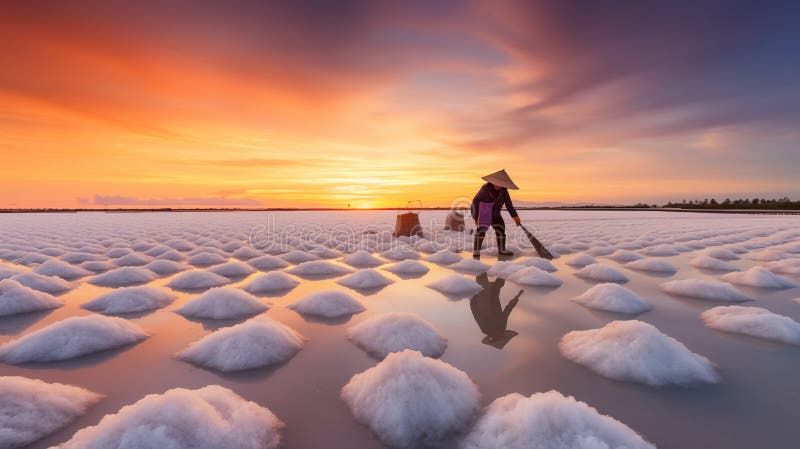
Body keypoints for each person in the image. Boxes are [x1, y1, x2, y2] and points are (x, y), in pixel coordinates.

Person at [470, 169, 521, 259]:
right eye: (497, 183)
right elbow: (475, 203)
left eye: (501, 184)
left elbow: (509, 205)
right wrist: (477, 217)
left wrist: (515, 217)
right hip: (483, 212)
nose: (498, 185)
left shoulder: (504, 191)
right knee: (481, 230)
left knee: (501, 228)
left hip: (495, 213)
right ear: (493, 181)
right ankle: (476, 250)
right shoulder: (485, 189)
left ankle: (502, 250)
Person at [470, 273, 523, 349]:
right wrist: (515, 300)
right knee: (500, 277)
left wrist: (474, 297)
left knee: (483, 274)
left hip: (485, 296)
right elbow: (507, 310)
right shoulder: (495, 328)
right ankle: (502, 263)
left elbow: (477, 312)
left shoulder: (490, 328)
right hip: (489, 295)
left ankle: (502, 263)